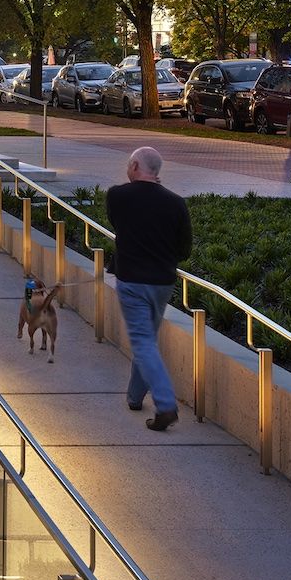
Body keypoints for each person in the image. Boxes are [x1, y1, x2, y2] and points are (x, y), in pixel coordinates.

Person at [105, 145, 191, 431]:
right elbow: (184, 250)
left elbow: (120, 226)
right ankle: (134, 396)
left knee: (143, 343)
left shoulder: (117, 197)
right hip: (162, 283)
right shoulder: (177, 204)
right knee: (147, 342)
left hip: (132, 282)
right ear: (157, 172)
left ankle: (166, 406)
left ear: (134, 166)